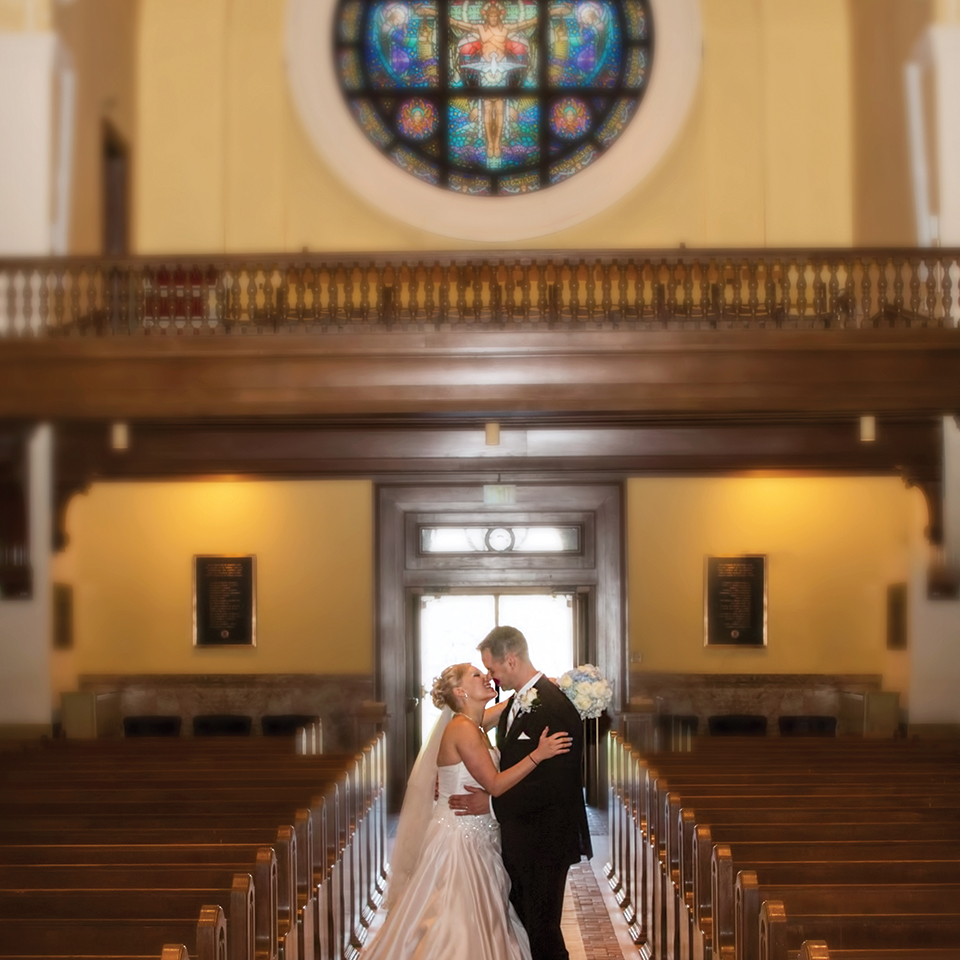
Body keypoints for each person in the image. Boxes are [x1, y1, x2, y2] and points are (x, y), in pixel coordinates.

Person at [361, 662, 572, 960]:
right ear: (461, 692)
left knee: (484, 913)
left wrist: (539, 685)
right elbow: (496, 786)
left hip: (480, 832)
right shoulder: (462, 729)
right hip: (459, 838)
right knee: (456, 918)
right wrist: (538, 755)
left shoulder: (473, 723)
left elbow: (511, 704)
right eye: (477, 674)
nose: (486, 677)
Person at [449, 626, 592, 960]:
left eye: (493, 669)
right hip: (524, 835)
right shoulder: (523, 698)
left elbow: (554, 785)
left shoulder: (552, 707)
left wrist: (492, 804)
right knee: (528, 928)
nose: (491, 676)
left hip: (545, 838)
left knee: (543, 935)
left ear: (510, 661)